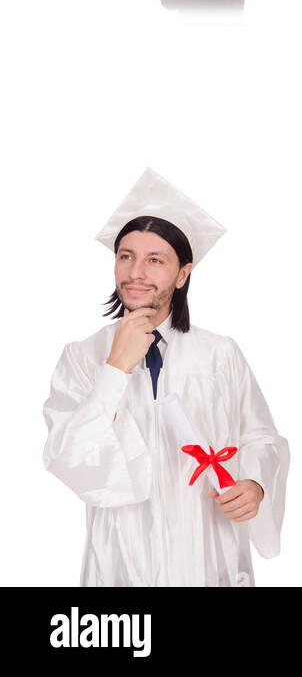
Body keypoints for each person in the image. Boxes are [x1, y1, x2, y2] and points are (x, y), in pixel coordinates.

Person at [43, 168, 289, 587]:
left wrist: (255, 484)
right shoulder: (83, 357)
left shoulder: (219, 354)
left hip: (208, 552)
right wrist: (115, 369)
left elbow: (262, 437)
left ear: (182, 274)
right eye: (126, 256)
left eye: (154, 260)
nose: (136, 272)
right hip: (122, 557)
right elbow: (69, 458)